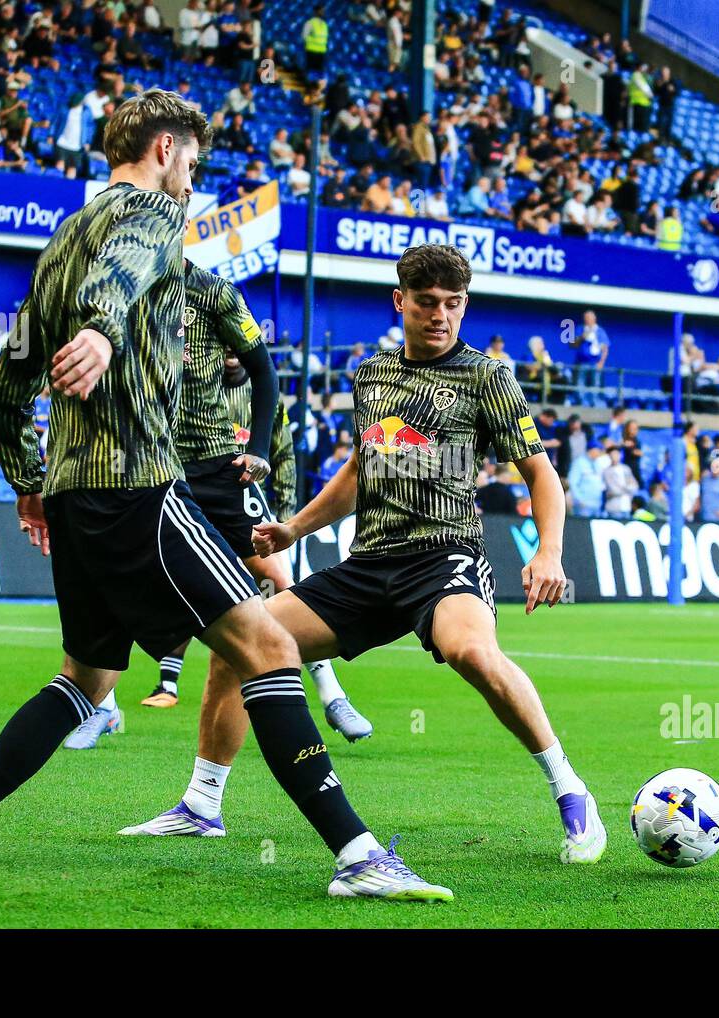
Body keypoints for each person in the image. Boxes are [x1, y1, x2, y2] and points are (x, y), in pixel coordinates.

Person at [0, 90, 449, 901]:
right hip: (140, 489)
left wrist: (26, 482)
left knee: (84, 681)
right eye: (192, 162)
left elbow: (10, 374)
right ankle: (359, 856)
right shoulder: (154, 214)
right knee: (269, 648)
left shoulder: (59, 244)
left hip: (73, 494)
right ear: (164, 149)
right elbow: (120, 282)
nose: (194, 180)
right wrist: (97, 328)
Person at [124, 245, 606, 865]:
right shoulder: (372, 374)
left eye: (453, 304)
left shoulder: (488, 378)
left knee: (472, 653)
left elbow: (540, 475)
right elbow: (360, 466)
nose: (441, 316)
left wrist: (549, 551)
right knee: (237, 644)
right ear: (400, 300)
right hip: (369, 565)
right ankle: (202, 806)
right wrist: (295, 528)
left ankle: (569, 788)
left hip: (444, 557)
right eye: (428, 303)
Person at [130, 262, 372, 746]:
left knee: (276, 578)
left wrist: (260, 455)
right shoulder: (124, 287)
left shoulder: (212, 293)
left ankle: (331, 692)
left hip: (219, 467)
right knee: (123, 588)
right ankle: (104, 703)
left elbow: (267, 377)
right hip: (151, 466)